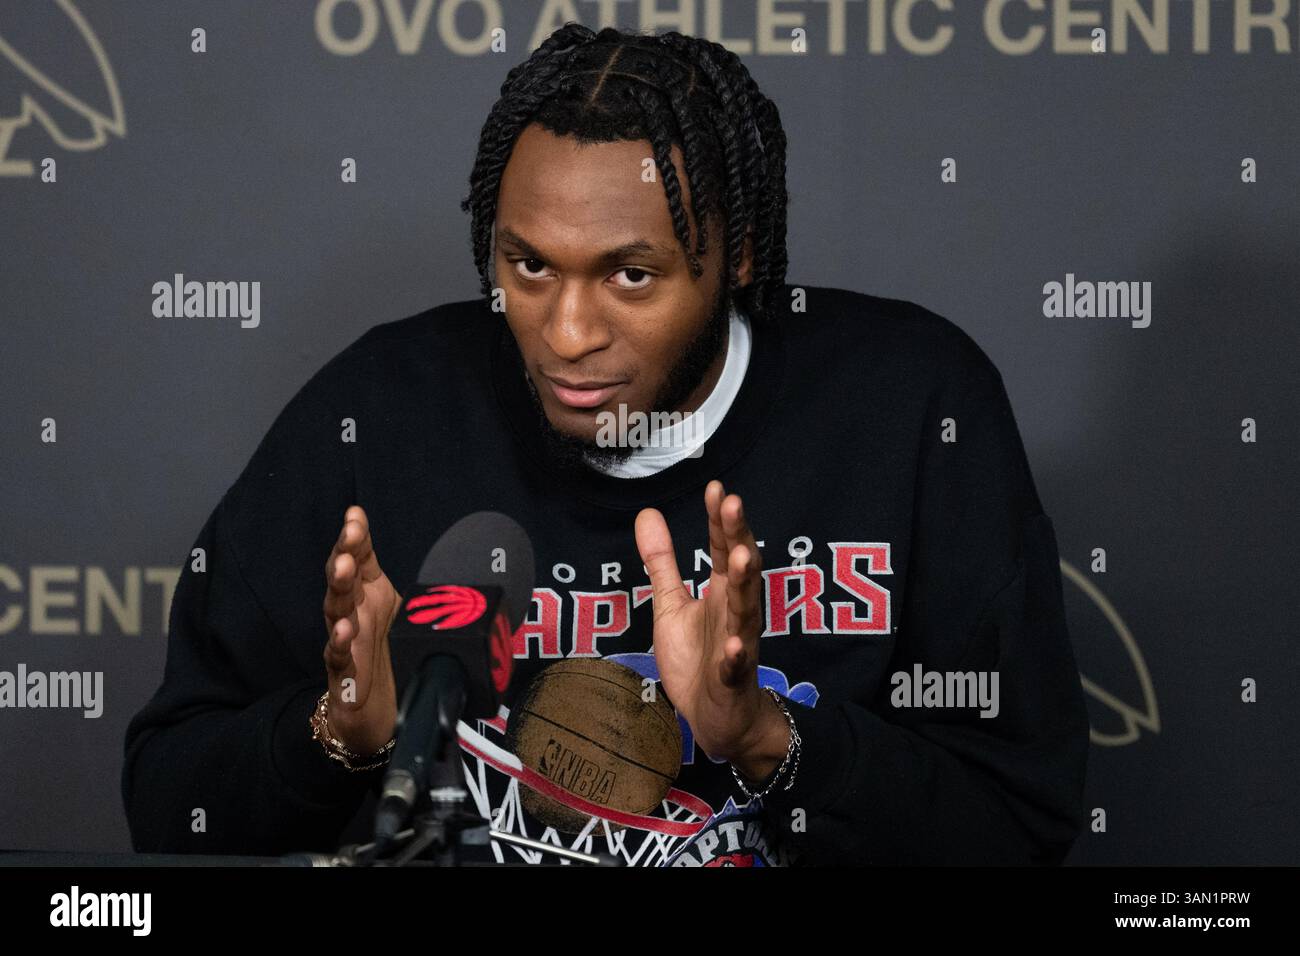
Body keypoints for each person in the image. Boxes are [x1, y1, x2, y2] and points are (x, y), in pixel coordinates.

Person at [122, 24, 1089, 866]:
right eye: (528, 265)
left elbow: (1018, 821)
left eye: (632, 275)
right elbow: (169, 804)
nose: (567, 332)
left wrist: (766, 737)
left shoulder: (911, 406)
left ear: (739, 253)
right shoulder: (376, 415)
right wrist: (339, 731)